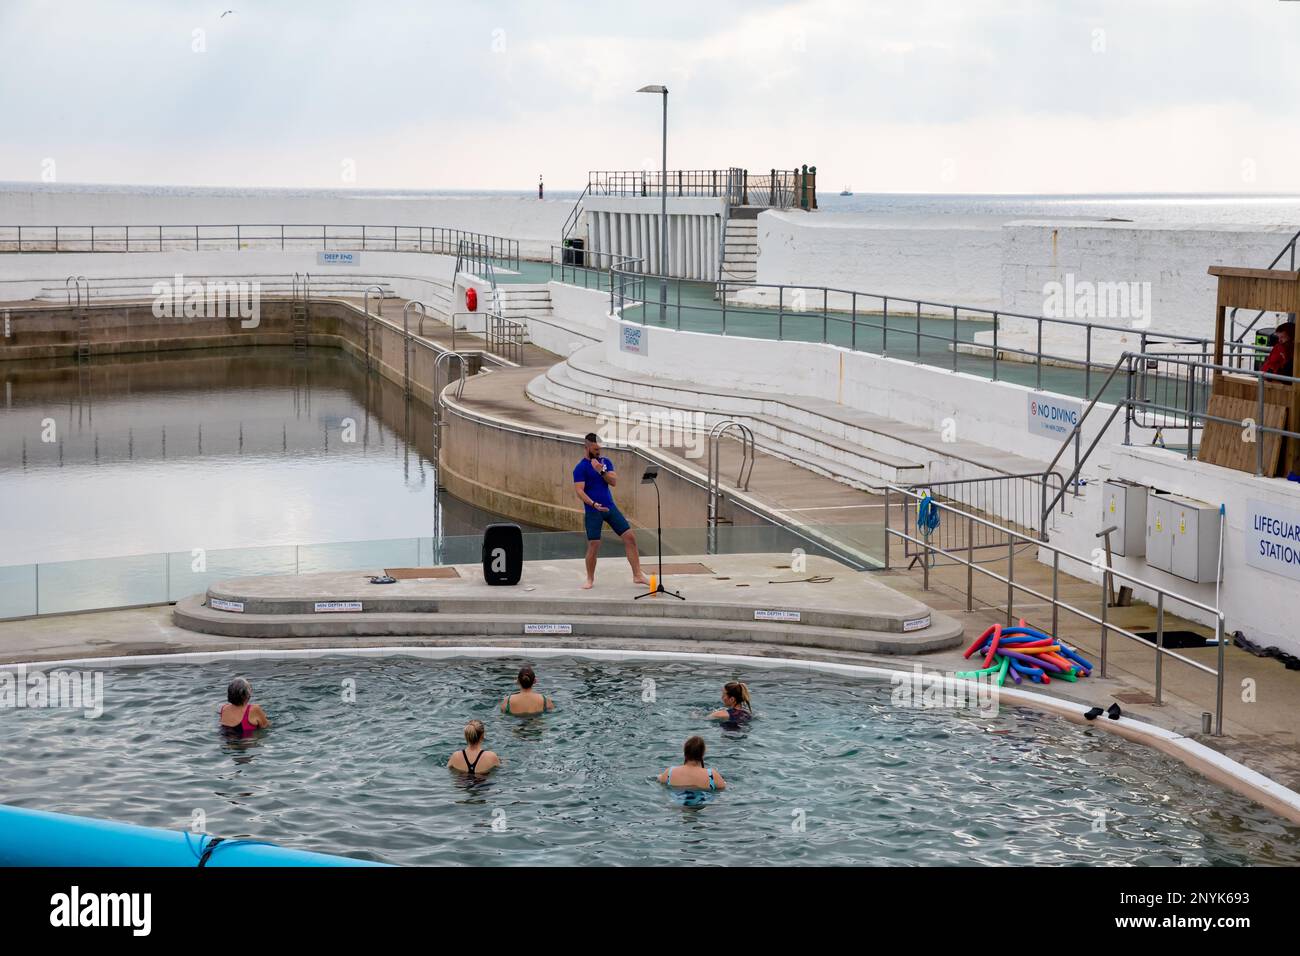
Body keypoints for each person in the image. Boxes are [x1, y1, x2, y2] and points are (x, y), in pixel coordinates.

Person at [572, 432, 648, 589]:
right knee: (594, 544)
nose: (599, 452)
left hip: (610, 507)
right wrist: (593, 504)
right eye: (595, 449)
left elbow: (613, 481)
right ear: (586, 447)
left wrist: (601, 471)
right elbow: (580, 491)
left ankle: (637, 575)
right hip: (593, 510)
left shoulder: (605, 462)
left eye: (600, 448)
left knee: (630, 537)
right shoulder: (580, 468)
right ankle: (590, 579)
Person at [658, 736, 726, 803]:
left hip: (676, 806)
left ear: (685, 752)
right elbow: (723, 788)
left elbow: (659, 780)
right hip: (703, 806)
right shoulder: (712, 775)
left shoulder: (670, 772)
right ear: (702, 754)